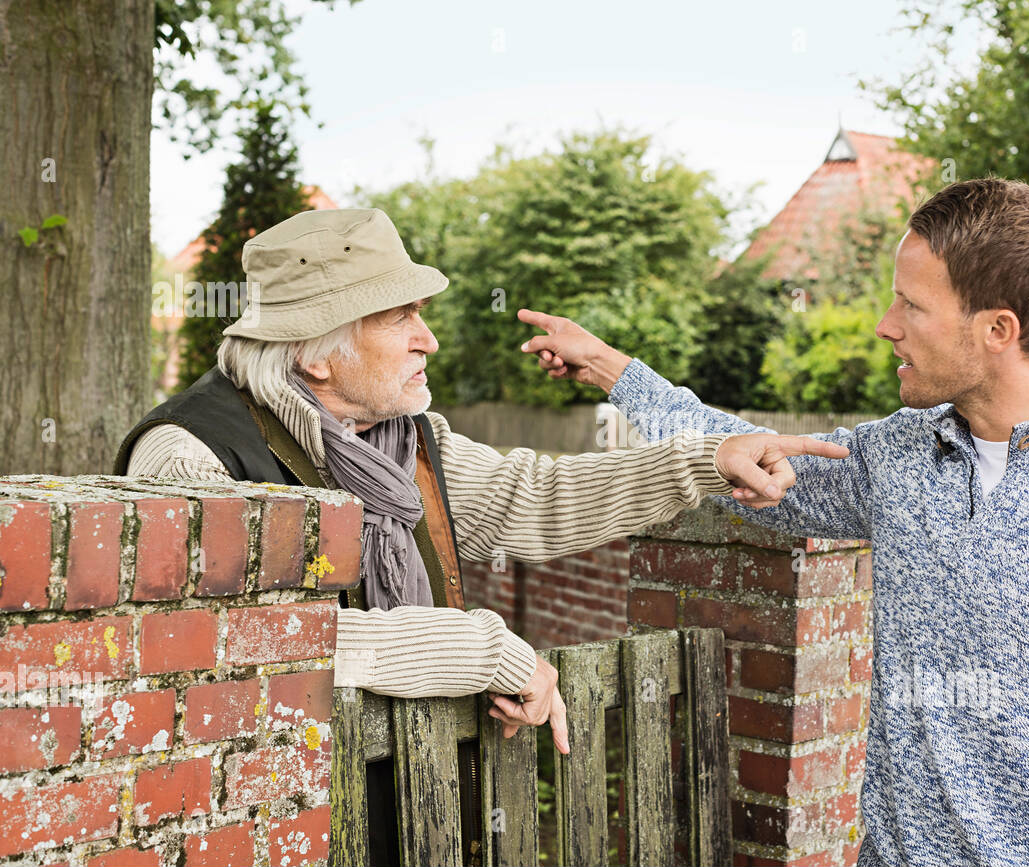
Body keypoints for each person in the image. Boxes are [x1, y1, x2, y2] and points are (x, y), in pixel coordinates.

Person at [517, 177, 1029, 865]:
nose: (884, 326)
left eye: (911, 306)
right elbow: (749, 455)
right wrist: (614, 370)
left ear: (998, 328)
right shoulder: (898, 453)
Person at [115, 207, 848, 756]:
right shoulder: (191, 454)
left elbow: (534, 498)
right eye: (400, 317)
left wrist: (705, 460)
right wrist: (480, 649)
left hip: (407, 790)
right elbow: (235, 637)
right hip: (269, 807)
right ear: (316, 356)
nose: (428, 339)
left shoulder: (405, 440)